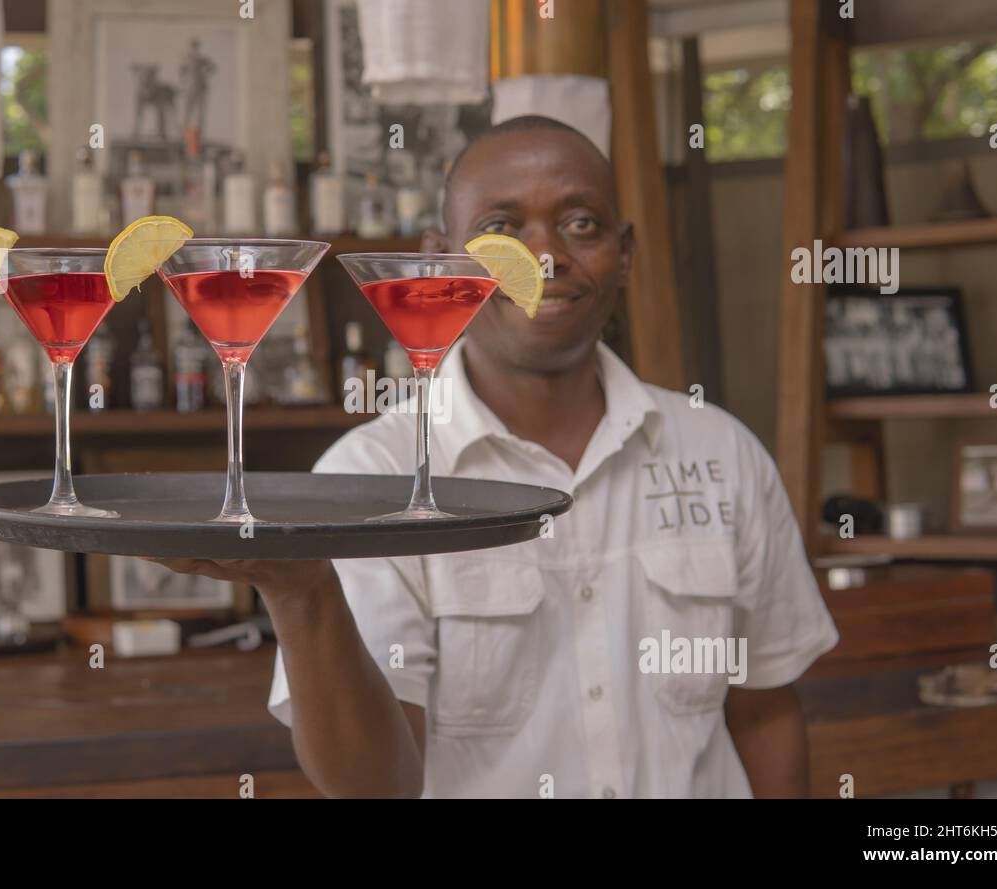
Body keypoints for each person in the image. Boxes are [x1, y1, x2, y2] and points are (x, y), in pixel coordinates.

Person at [154, 116, 839, 798]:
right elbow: (373, 786)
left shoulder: (723, 450)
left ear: (625, 253)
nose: (545, 256)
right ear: (436, 256)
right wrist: (301, 592)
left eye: (581, 224)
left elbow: (765, 712)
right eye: (502, 231)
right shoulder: (366, 479)